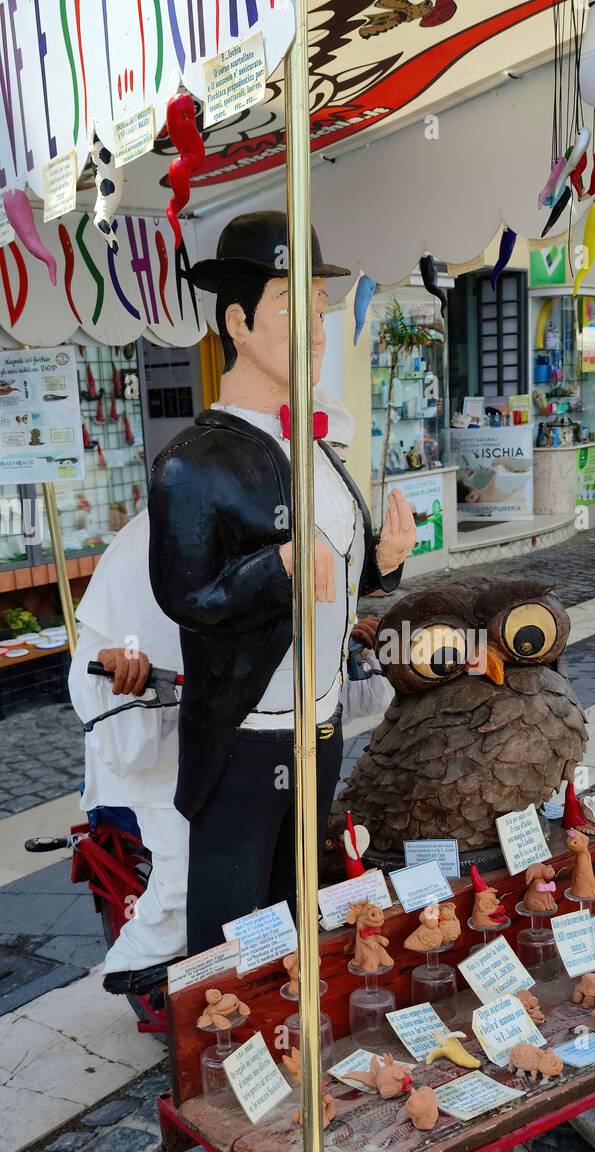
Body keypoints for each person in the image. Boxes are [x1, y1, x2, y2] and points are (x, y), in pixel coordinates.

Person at [149, 212, 416, 954]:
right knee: (233, 921)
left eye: (320, 313)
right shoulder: (191, 463)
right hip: (247, 732)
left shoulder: (314, 448)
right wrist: (277, 569)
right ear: (237, 321)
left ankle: (290, 1032)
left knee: (298, 898)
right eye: (290, 310)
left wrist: (383, 560)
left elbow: (340, 576)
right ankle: (228, 1051)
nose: (316, 333)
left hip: (319, 723)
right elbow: (188, 596)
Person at [67, 510, 188, 995]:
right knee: (183, 859)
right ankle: (137, 951)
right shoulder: (138, 560)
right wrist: (120, 662)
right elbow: (91, 670)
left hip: (230, 731)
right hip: (155, 748)